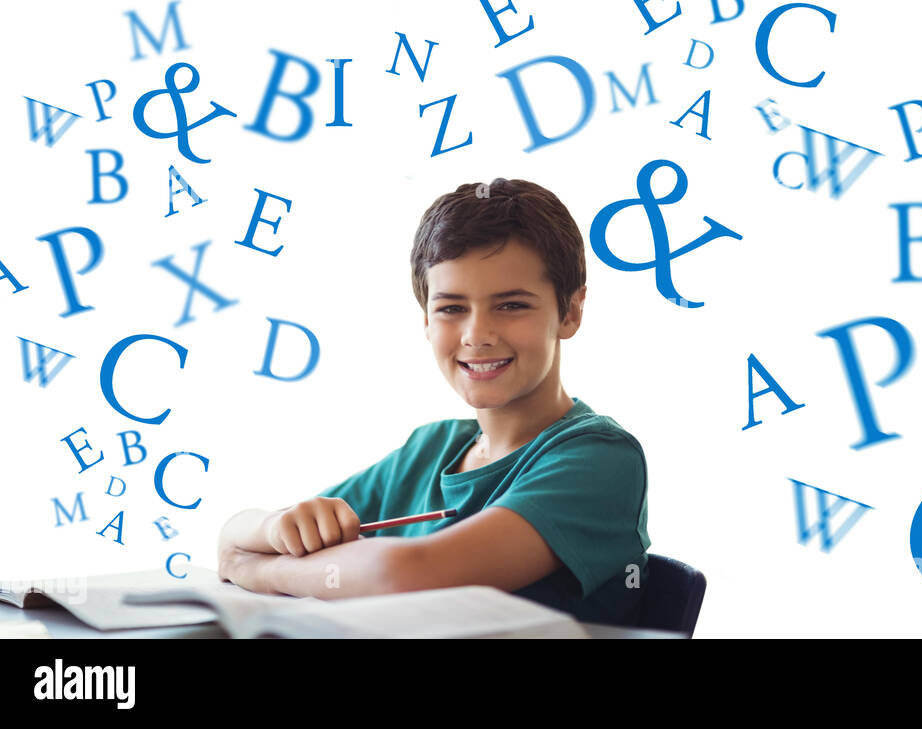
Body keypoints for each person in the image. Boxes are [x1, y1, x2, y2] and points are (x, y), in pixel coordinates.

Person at [217, 178, 651, 625]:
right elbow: (237, 536)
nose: (477, 335)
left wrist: (257, 569)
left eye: (512, 305)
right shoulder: (429, 449)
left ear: (571, 311)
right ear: (426, 319)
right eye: (451, 308)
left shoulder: (600, 459)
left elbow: (402, 575)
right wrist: (269, 530)